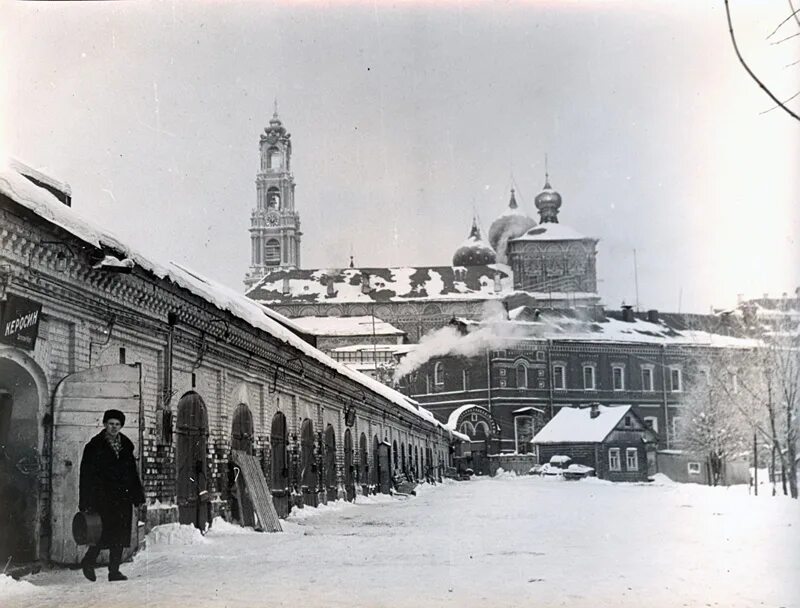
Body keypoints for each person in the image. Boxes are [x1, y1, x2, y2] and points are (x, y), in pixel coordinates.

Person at [79, 409, 145, 582]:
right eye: (111, 424)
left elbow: (132, 473)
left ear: (121, 426)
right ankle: (88, 561)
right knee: (101, 533)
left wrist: (137, 496)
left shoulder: (126, 446)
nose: (114, 427)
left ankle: (114, 571)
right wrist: (85, 501)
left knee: (120, 535)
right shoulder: (94, 447)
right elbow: (85, 475)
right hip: (102, 498)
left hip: (123, 498)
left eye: (117, 424)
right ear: (105, 424)